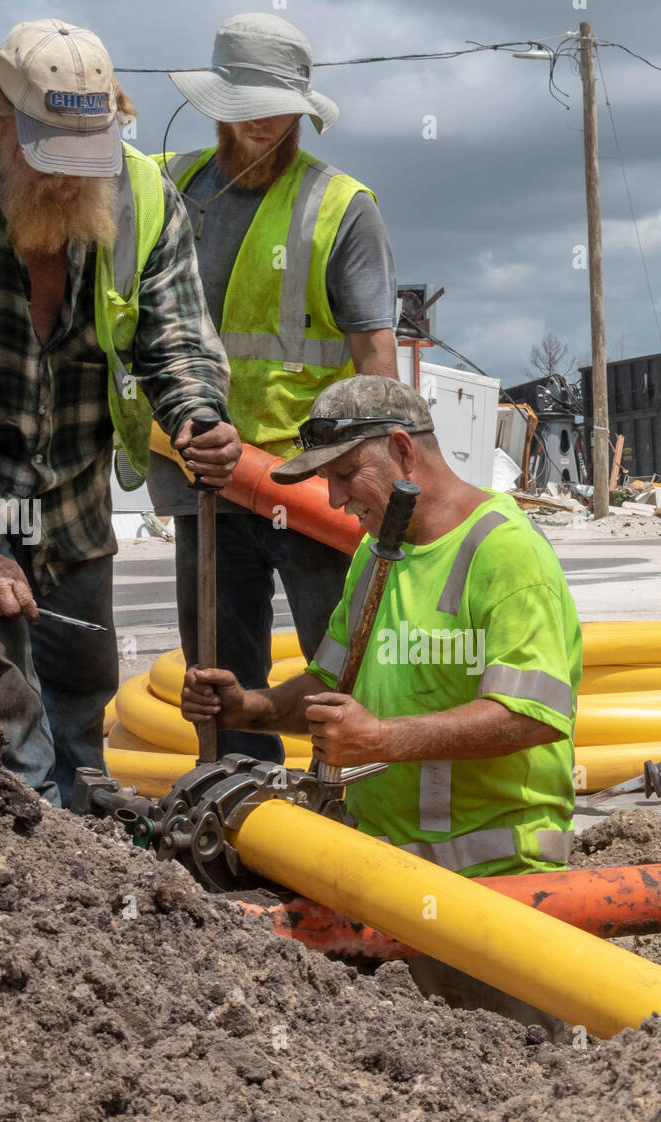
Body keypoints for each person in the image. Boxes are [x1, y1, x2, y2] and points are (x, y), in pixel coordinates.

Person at [0, 19, 239, 806]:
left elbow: (177, 337)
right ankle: (15, 866)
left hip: (72, 488)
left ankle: (92, 870)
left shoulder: (142, 194)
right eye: (48, 156)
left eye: (83, 157)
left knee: (84, 696)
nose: (67, 181)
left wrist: (197, 410)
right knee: (1, 701)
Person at [181, 377, 582, 1033]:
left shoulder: (504, 551)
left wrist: (382, 741)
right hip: (386, 886)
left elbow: (530, 716)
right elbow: (333, 687)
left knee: (512, 1078)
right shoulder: (376, 556)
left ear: (401, 451)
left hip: (493, 896)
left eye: (345, 475)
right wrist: (250, 708)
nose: (335, 500)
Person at [147, 12, 400, 763]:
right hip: (207, 479)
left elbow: (373, 353)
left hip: (311, 488)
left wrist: (381, 473)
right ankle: (240, 809)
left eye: (278, 107)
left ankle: (345, 810)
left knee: (341, 670)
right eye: (247, 105)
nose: (263, 122)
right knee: (219, 675)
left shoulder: (340, 208)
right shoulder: (170, 190)